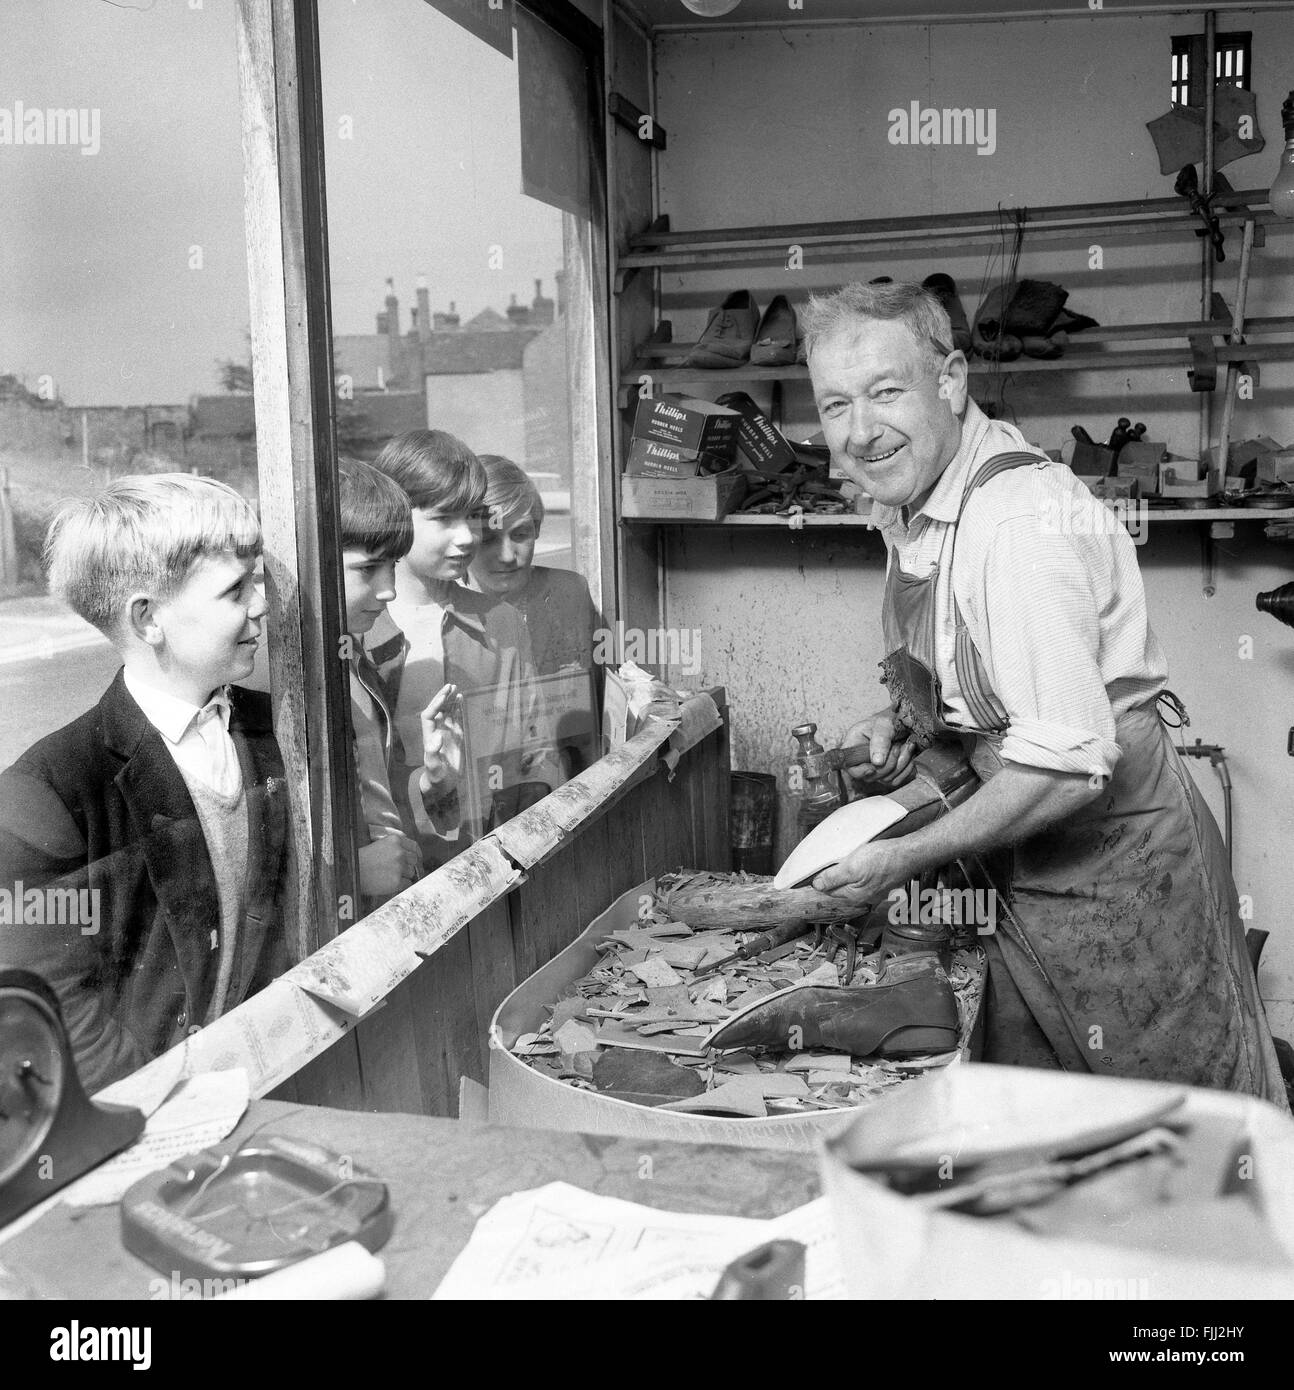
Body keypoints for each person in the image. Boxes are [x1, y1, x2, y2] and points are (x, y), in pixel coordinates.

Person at [802, 280, 1285, 1105]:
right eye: (836, 404)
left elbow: (1064, 765)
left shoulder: (1019, 524)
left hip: (1120, 882)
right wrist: (903, 721)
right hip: (1020, 878)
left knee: (1180, 1139)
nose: (859, 431)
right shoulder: (915, 503)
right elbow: (981, 676)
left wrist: (899, 860)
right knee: (1046, 1138)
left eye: (886, 392)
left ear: (951, 381)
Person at [0, 475, 290, 1092]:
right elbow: (57, 1008)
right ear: (147, 618)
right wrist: (178, 1107)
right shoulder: (49, 793)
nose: (262, 604)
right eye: (235, 590)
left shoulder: (279, 730)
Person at [367, 431, 558, 866]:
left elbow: (533, 749)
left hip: (486, 857)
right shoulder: (356, 631)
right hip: (389, 868)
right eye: (444, 519)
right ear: (394, 517)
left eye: (473, 517)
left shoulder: (500, 621)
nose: (468, 537)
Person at [337, 457, 462, 911]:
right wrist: (347, 873)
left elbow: (374, 794)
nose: (388, 589)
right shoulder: (277, 683)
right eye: (368, 570)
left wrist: (429, 779)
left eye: (392, 566)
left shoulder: (354, 653)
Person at [469, 455, 601, 776]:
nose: (507, 556)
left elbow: (591, 725)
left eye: (520, 535)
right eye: (489, 538)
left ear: (538, 530)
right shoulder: (449, 616)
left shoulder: (569, 592)